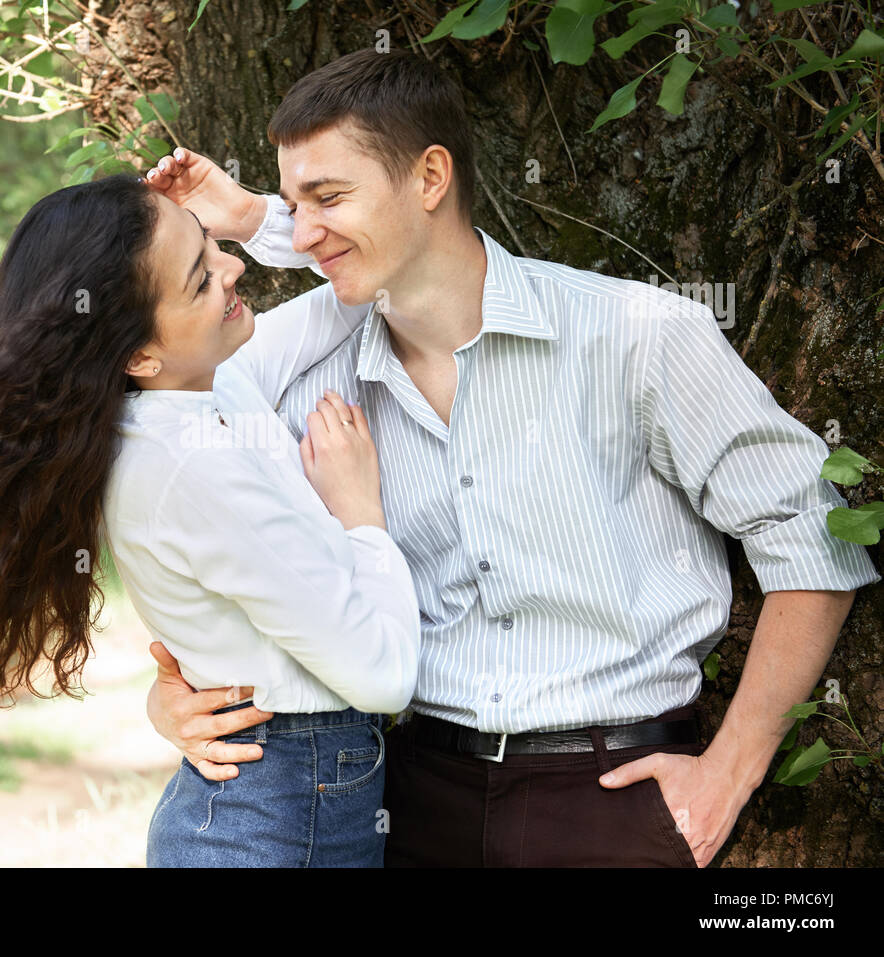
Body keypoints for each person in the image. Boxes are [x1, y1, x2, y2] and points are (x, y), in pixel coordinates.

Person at [142, 49, 881, 867]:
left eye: (329, 197)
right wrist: (171, 694)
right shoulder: (297, 374)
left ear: (430, 179)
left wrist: (728, 775)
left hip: (616, 803)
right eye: (291, 204)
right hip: (404, 803)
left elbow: (813, 526)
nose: (303, 230)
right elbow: (218, 542)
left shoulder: (636, 337)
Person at [0, 170, 422, 868]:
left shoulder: (199, 386)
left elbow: (355, 291)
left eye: (212, 245)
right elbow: (383, 676)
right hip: (276, 820)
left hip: (280, 799)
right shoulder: (189, 466)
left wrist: (252, 216)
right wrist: (361, 515)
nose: (233, 269)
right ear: (139, 353)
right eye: (201, 279)